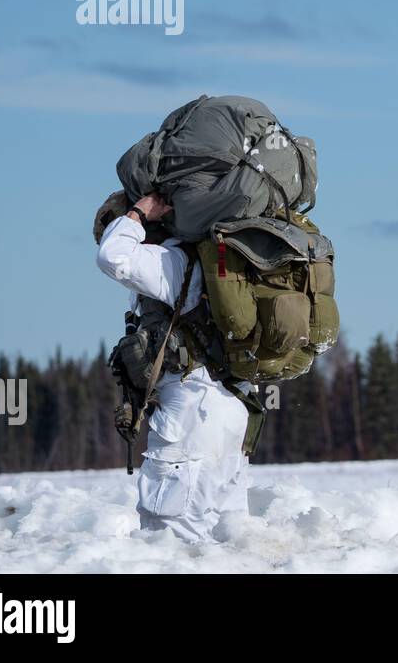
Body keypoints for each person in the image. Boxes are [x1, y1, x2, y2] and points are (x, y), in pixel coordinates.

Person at [94, 190, 254, 544]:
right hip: (226, 409)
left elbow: (112, 256)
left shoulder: (168, 261)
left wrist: (137, 212)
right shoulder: (201, 263)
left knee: (168, 543)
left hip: (190, 419)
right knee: (229, 541)